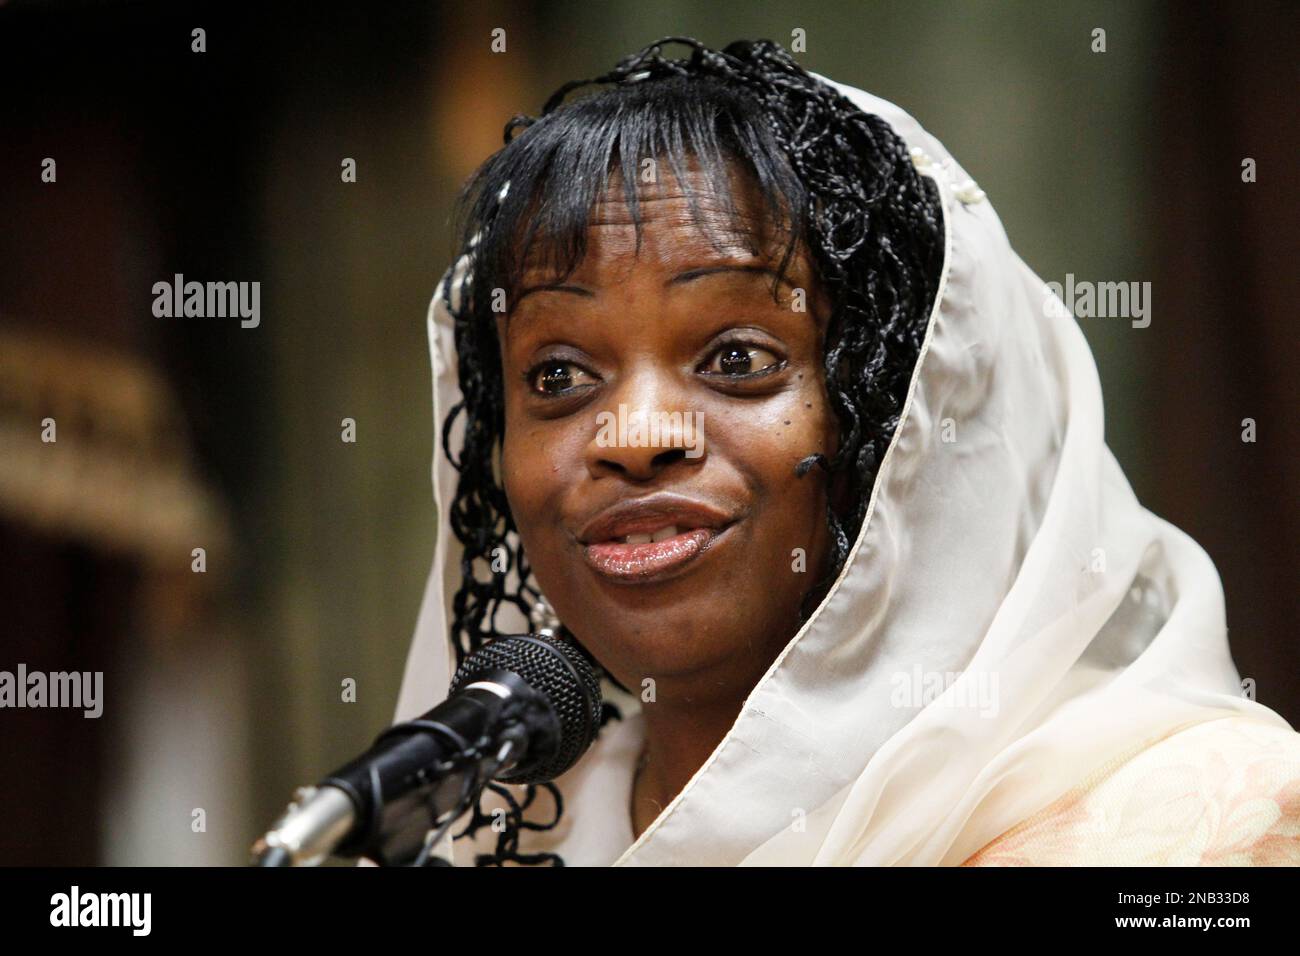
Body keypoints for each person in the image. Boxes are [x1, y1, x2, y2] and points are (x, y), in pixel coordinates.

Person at [393, 37, 1300, 866]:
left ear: (903, 412)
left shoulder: (1205, 825)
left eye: (736, 359)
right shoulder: (483, 835)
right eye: (557, 377)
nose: (633, 439)